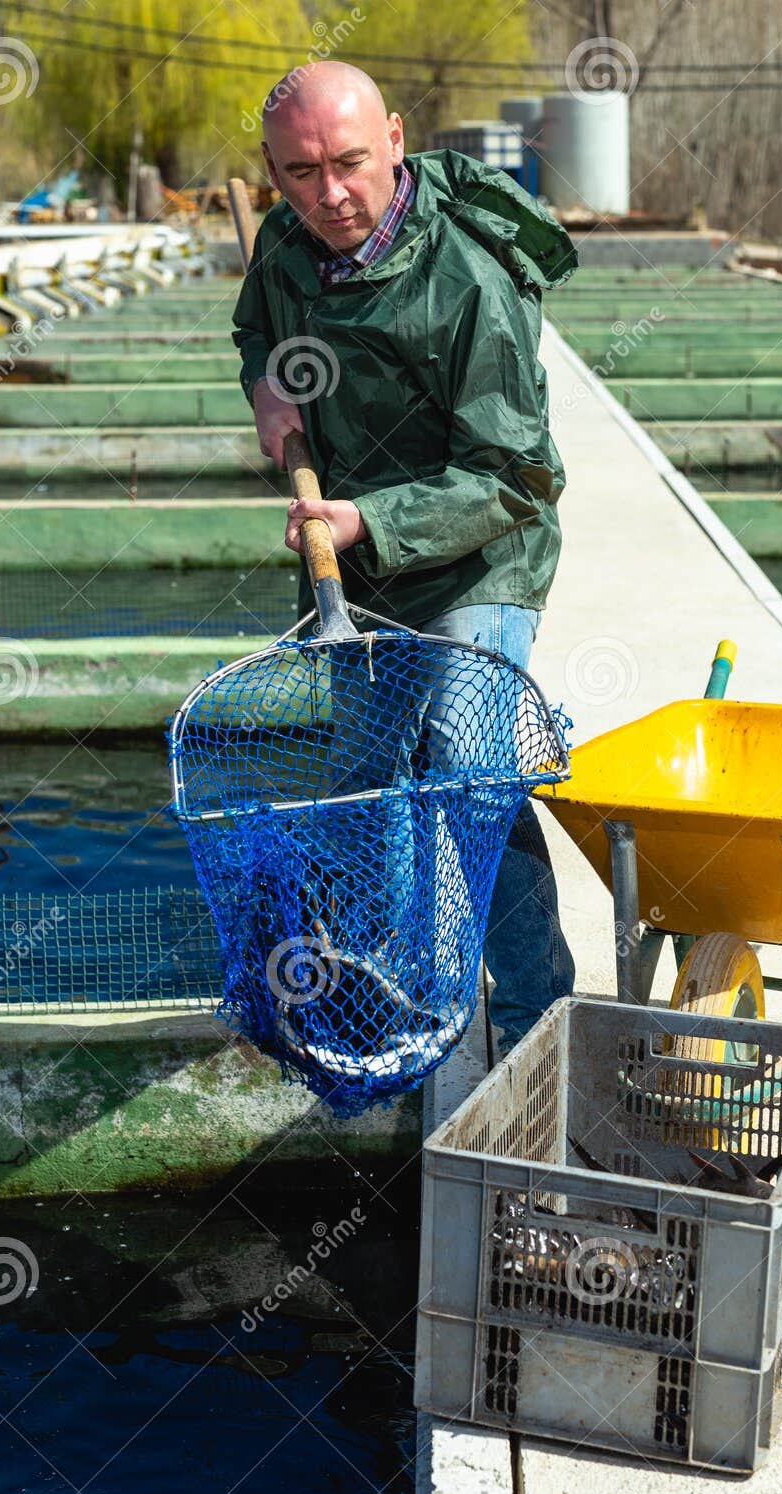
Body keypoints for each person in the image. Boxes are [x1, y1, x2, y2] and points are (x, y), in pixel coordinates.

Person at [232, 60, 576, 1057]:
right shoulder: (289, 247)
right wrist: (266, 384)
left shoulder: (471, 277)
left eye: (347, 163)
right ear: (274, 170)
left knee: (470, 770)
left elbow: (516, 477)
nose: (329, 195)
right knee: (366, 775)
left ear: (394, 138)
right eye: (300, 173)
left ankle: (536, 1017)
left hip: (481, 550)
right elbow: (259, 328)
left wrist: (364, 520)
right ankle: (402, 988)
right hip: (354, 558)